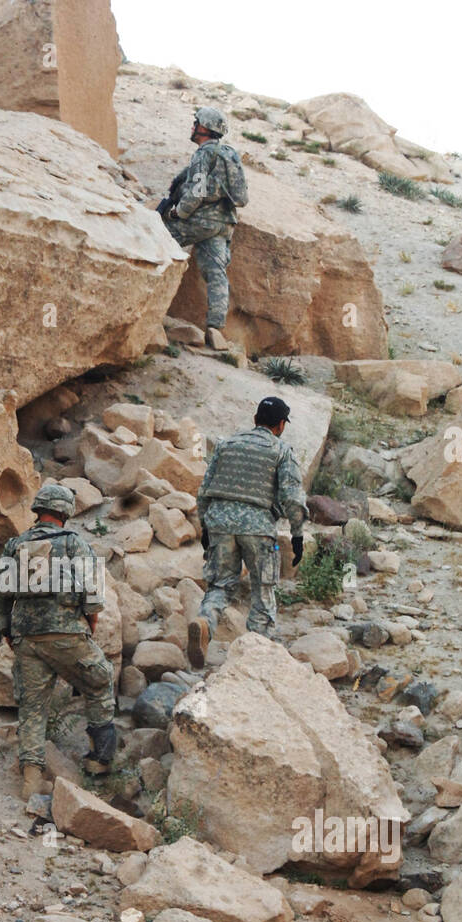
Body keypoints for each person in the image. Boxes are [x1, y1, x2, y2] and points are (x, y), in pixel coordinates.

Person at [0, 482, 117, 800]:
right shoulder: (73, 543)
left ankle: (32, 781)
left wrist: (7, 632)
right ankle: (99, 762)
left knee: (33, 707)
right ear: (65, 512)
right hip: (67, 634)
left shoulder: (15, 545)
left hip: (26, 638)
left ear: (39, 510)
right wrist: (89, 623)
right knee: (100, 681)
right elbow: (92, 592)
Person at [190, 395, 308, 663]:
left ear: (255, 420)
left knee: (220, 585)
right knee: (262, 590)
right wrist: (297, 534)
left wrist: (205, 525)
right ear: (281, 425)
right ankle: (256, 657)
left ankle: (205, 622)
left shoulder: (226, 444)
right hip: (258, 528)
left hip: (220, 523)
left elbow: (204, 490)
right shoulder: (281, 451)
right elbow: (292, 497)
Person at [159, 104, 249, 350]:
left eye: (195, 123)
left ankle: (148, 306)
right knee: (216, 272)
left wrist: (179, 212)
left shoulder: (203, 154)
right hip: (224, 224)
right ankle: (215, 328)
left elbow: (196, 191)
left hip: (200, 221)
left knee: (159, 243)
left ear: (204, 128)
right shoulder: (228, 154)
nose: (192, 127)